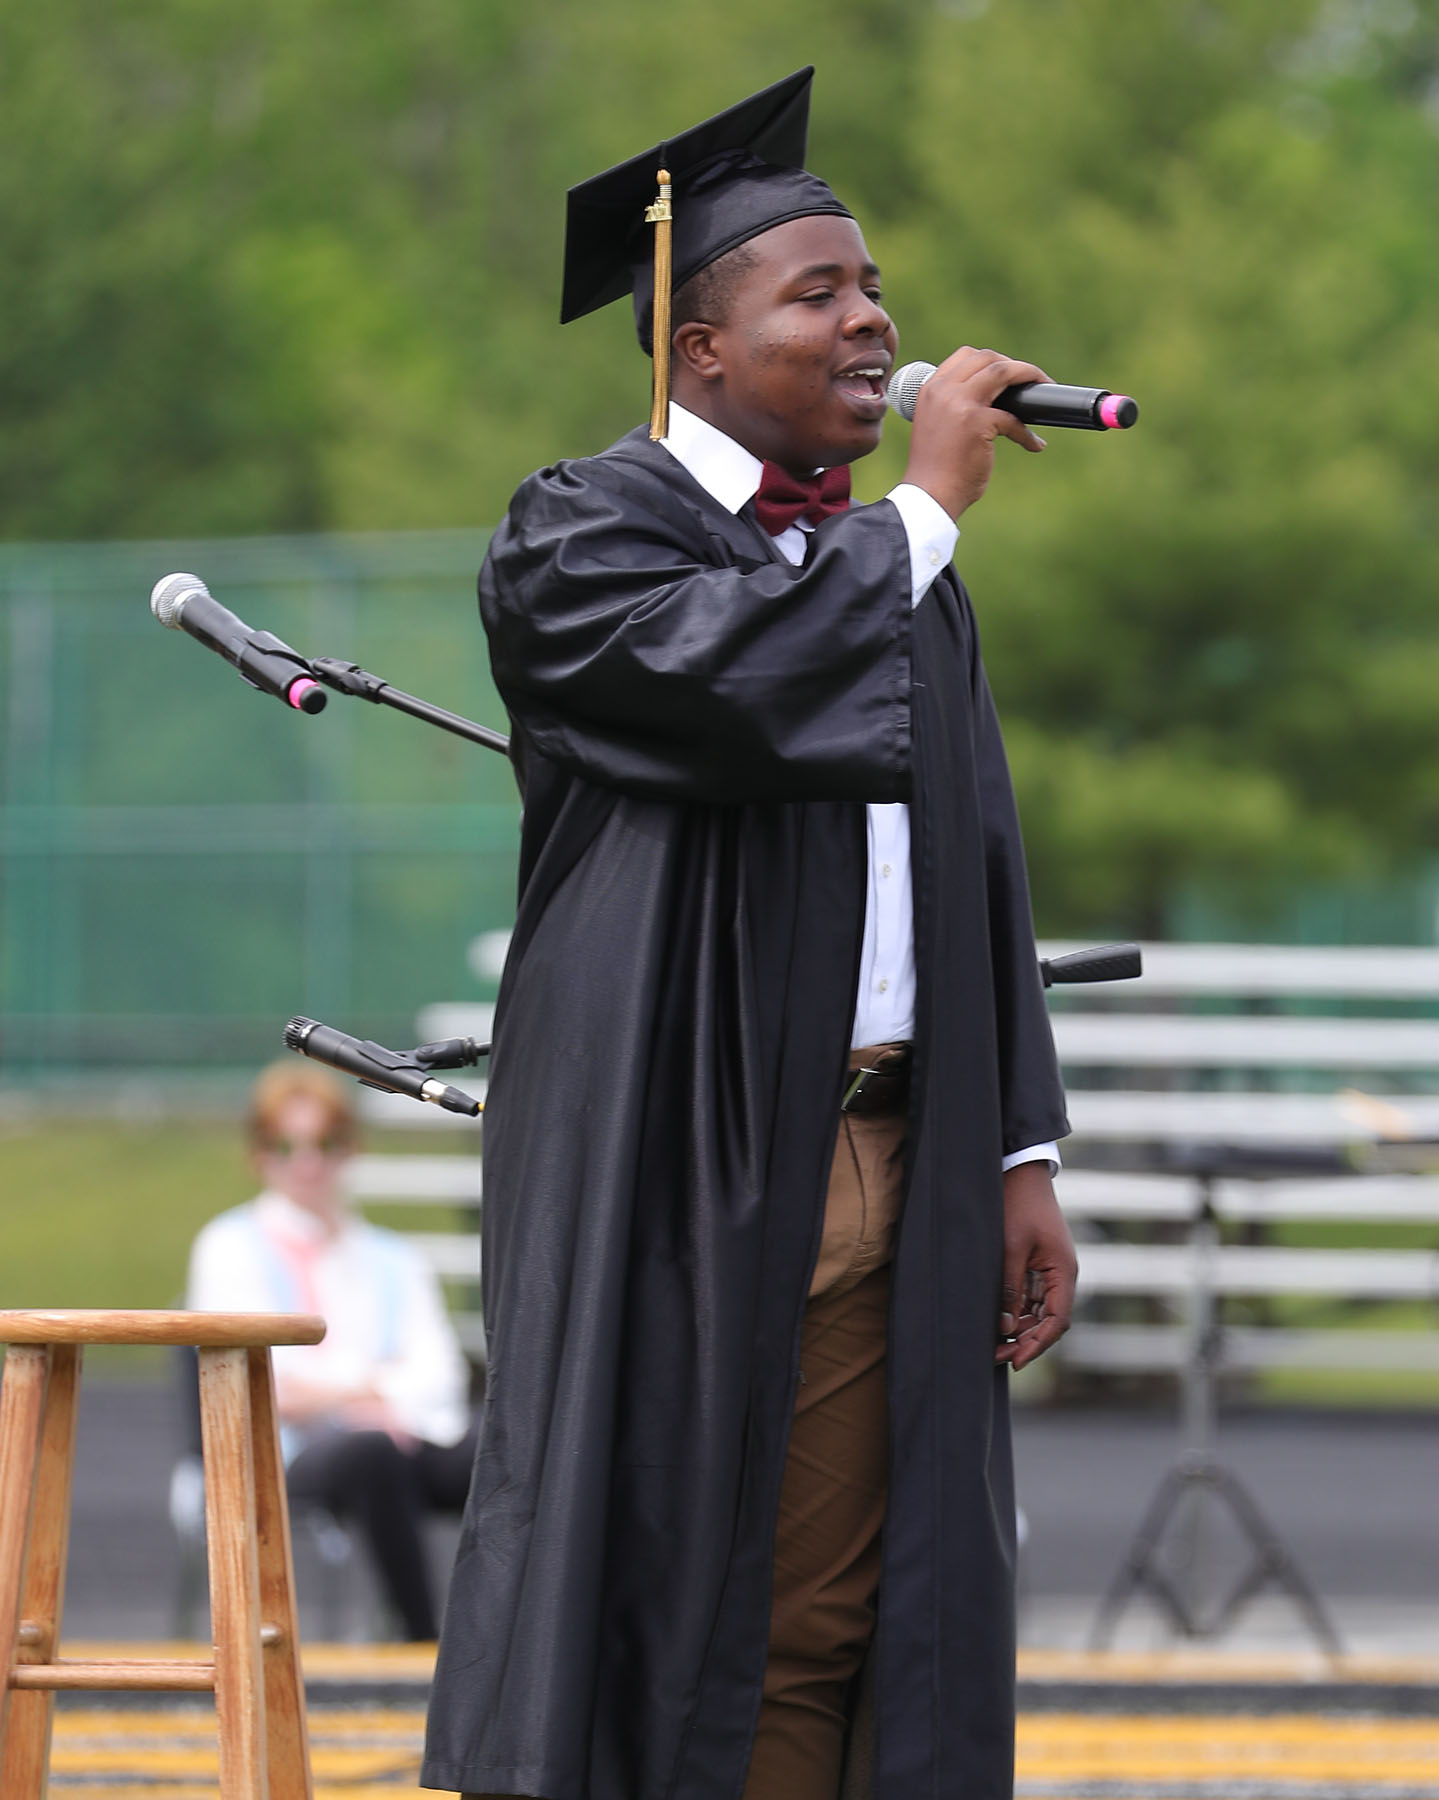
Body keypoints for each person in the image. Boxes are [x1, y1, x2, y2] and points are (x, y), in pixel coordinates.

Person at [421, 67, 1077, 1800]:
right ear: (696, 348)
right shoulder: (582, 532)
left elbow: (977, 865)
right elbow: (733, 681)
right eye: (821, 293)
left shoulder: (897, 568)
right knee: (662, 1600)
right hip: (675, 1158)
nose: (874, 324)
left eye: (877, 293)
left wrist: (1017, 1149)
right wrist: (919, 516)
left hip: (892, 1146)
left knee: (839, 1619)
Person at [186, 1060, 475, 1641]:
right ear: (258, 1153)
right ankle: (421, 1642)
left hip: (407, 1437)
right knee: (370, 1453)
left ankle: (509, 1645)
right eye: (286, 1145)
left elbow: (441, 1375)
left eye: (324, 1142)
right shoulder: (228, 1247)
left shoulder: (395, 1259)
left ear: (350, 1148)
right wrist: (377, 1388)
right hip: (287, 1453)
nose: (307, 1162)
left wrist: (357, 1396)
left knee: (512, 1451)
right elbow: (270, 1387)